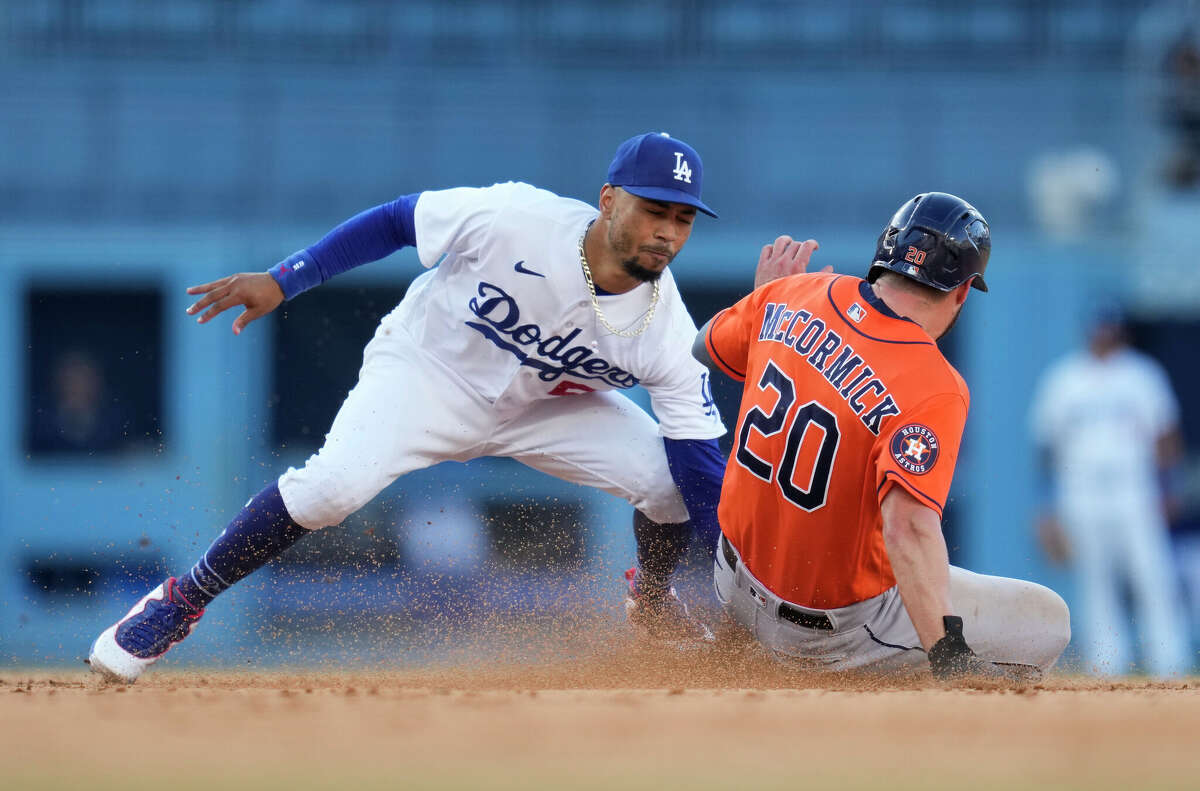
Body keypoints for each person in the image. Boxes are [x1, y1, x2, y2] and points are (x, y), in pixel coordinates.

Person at [87, 132, 729, 683]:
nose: (667, 233)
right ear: (610, 200)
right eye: (654, 211)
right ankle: (180, 599)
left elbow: (701, 469)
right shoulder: (517, 218)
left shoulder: (670, 332)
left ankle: (652, 603)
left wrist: (746, 589)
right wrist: (285, 279)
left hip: (543, 408)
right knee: (330, 491)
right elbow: (397, 220)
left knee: (668, 482)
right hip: (427, 373)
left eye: (682, 219)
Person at [695, 193, 1071, 680]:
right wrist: (949, 655)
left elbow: (702, 347)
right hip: (827, 630)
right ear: (961, 290)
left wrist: (762, 302)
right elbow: (907, 528)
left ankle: (748, 653)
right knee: (1048, 621)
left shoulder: (792, 293)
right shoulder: (934, 384)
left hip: (731, 580)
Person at [1030, 305, 1191, 676]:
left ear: (1119, 332)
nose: (1103, 335)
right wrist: (1047, 507)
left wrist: (1170, 488)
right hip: (1081, 492)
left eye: (1109, 329)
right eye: (1098, 329)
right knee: (1094, 579)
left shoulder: (1141, 375)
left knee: (1152, 574)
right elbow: (1046, 448)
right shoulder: (1065, 378)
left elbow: (1166, 437)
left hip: (1134, 490)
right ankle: (1107, 663)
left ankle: (1170, 662)